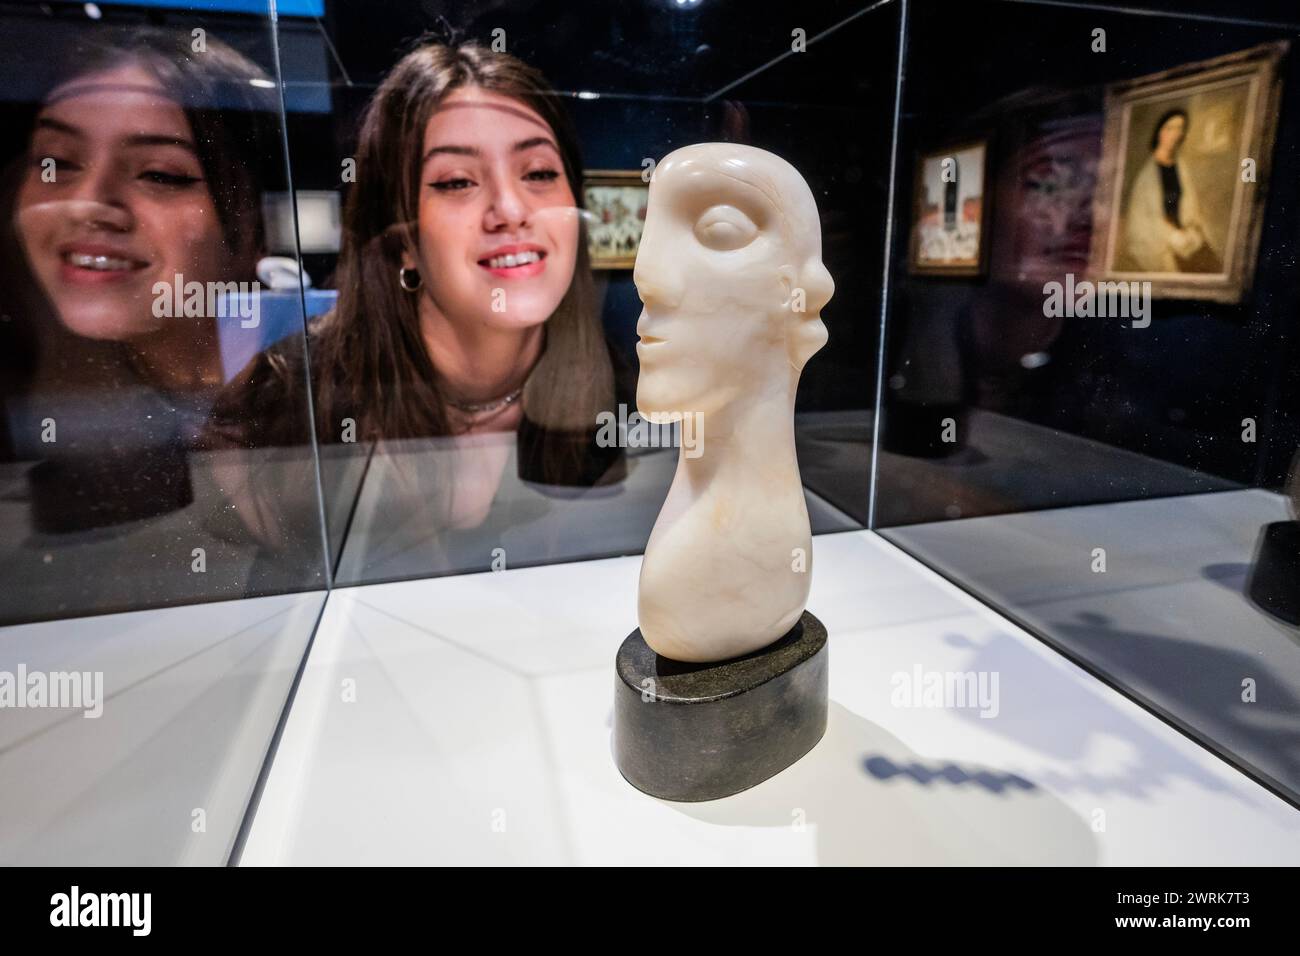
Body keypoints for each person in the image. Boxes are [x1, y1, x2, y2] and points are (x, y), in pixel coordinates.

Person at [204, 40, 630, 549]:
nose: (512, 209)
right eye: (456, 182)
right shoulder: (286, 408)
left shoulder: (625, 393)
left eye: (539, 173)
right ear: (402, 238)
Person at [1, 27, 277, 530]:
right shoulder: (34, 397)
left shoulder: (325, 390)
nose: (88, 202)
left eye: (160, 174)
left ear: (251, 223)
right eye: (56, 162)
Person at [1120, 108, 1222, 274]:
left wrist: (1189, 230)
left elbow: (1191, 206)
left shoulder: (1181, 168)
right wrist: (1171, 234)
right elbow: (1142, 222)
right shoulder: (1146, 177)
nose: (1175, 134)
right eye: (1169, 128)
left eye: (1179, 128)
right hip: (1161, 239)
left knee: (1213, 266)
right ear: (1159, 132)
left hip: (1186, 234)